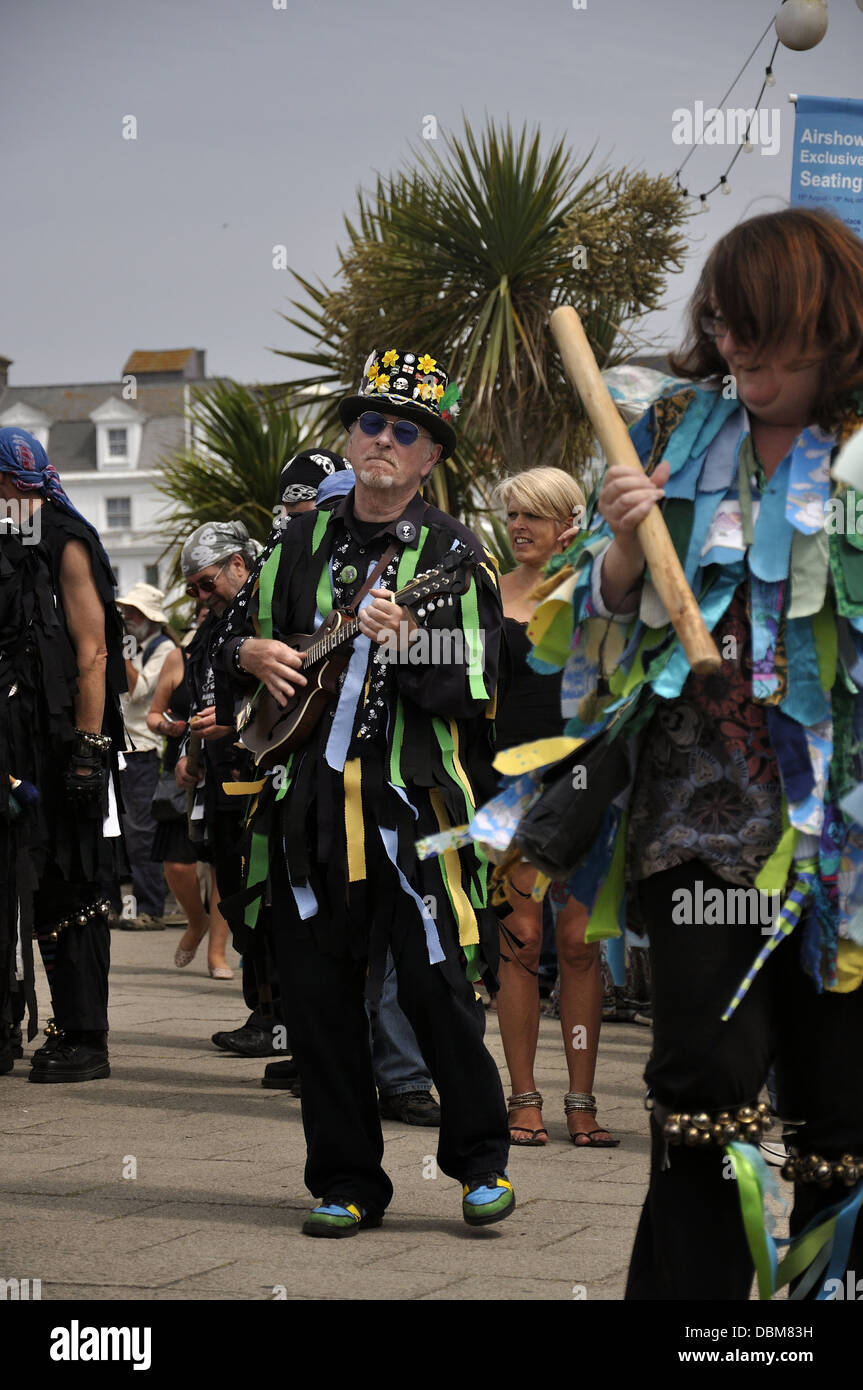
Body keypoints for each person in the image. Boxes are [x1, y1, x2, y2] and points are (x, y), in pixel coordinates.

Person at [508, 209, 863, 1299]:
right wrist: (619, 542)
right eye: (723, 323)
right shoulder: (671, 423)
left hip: (847, 840)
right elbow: (600, 639)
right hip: (698, 827)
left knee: (843, 1119)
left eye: (765, 327)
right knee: (702, 1100)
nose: (741, 349)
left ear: (831, 323)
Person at [213, 348, 514, 1235]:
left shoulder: (453, 553)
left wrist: (409, 643)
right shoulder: (295, 542)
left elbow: (479, 685)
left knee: (435, 983)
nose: (383, 439)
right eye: (371, 422)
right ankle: (345, 1181)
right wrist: (247, 656)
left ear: (429, 458)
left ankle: (480, 1163)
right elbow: (229, 644)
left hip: (410, 808)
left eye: (405, 430)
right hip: (304, 805)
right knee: (316, 1000)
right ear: (350, 436)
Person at [492, 466, 618, 1148]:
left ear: (568, 521)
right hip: (511, 787)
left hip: (589, 779)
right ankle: (523, 1096)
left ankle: (582, 1100)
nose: (519, 526)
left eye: (534, 516)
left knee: (577, 945)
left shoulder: (596, 594)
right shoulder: (488, 596)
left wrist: (588, 563)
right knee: (522, 940)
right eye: (513, 514)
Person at [0, 427, 126, 1083]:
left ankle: (84, 1036)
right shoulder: (7, 541)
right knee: (20, 881)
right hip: (11, 742)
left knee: (72, 881)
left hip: (61, 742)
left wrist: (87, 748)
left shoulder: (64, 537)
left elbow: (94, 650)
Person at [176, 521, 264, 980]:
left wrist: (239, 716)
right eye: (192, 590)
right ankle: (262, 1012)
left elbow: (305, 686)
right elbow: (196, 698)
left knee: (262, 895)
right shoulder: (211, 630)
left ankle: (277, 1016)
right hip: (220, 778)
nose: (202, 597)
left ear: (238, 563)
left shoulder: (267, 612)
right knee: (232, 887)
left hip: (262, 777)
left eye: (206, 583)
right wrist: (184, 754)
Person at [115, 583, 176, 931]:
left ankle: (150, 909)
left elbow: (137, 692)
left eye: (133, 613)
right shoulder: (138, 646)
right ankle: (127, 908)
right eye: (126, 612)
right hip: (123, 751)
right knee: (123, 834)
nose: (127, 618)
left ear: (150, 618)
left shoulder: (164, 649)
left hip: (142, 751)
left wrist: (120, 650)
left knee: (140, 833)